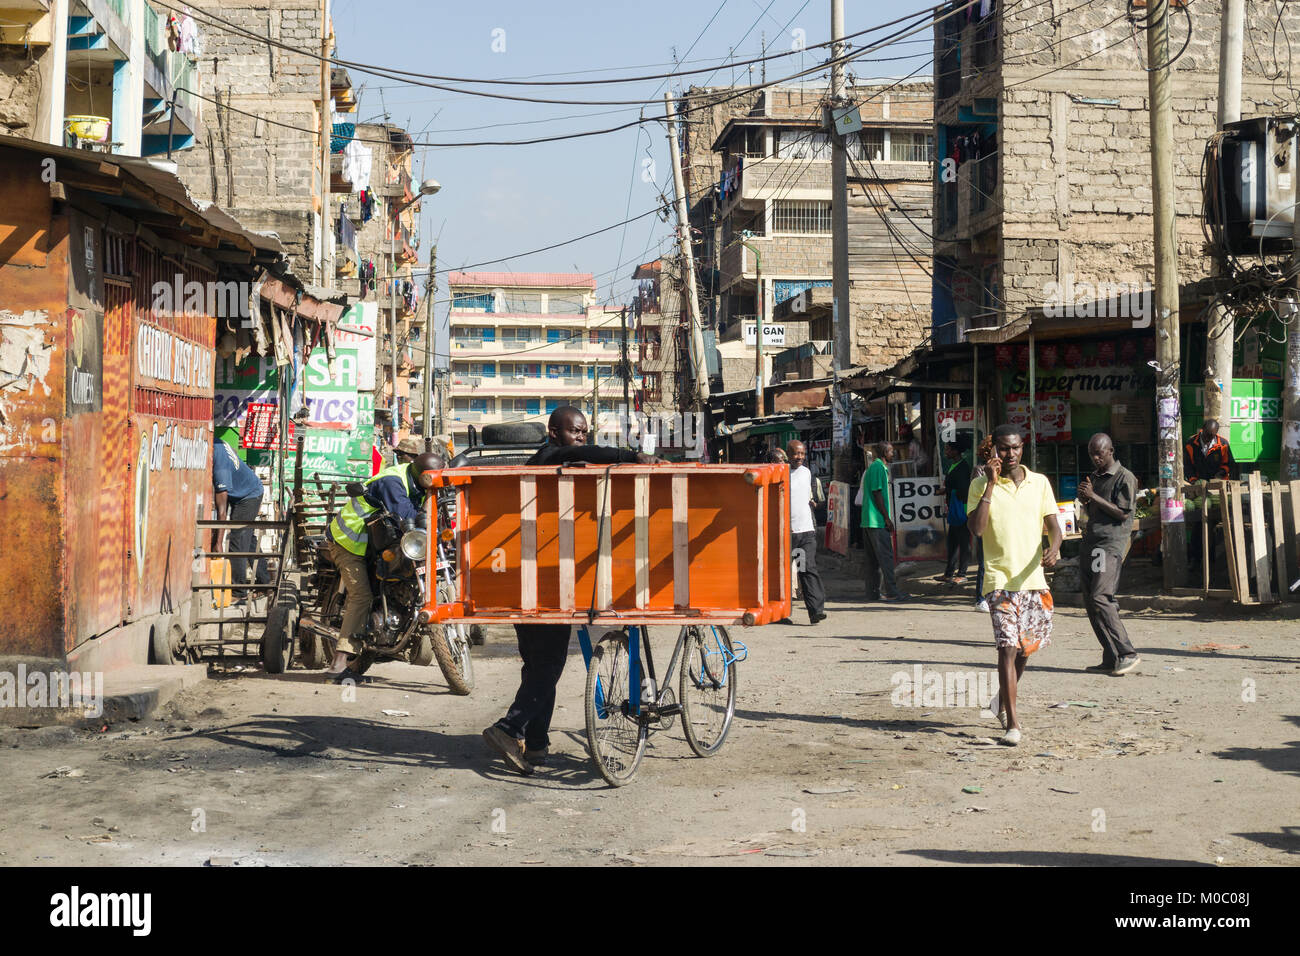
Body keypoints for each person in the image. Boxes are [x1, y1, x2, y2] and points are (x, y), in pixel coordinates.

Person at [483, 405, 660, 776]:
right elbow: (579, 454)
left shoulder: (551, 466)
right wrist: (631, 456)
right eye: (575, 432)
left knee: (538, 667)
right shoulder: (549, 456)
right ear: (553, 433)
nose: (581, 439)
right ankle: (509, 728)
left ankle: (536, 745)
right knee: (548, 665)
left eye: (584, 433)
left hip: (530, 580)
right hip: (544, 585)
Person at [967, 424, 1063, 747]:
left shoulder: (1040, 483)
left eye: (1015, 448)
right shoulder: (980, 485)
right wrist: (990, 487)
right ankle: (1013, 722)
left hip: (1033, 579)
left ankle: (999, 702)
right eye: (1004, 449)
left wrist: (1055, 547)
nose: (1010, 454)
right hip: (999, 580)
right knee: (1006, 648)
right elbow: (977, 530)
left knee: (1025, 649)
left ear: (1023, 448)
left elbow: (1053, 525)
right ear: (994, 450)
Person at [324, 449, 444, 680]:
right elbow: (407, 517)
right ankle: (338, 663)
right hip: (349, 542)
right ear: (421, 476)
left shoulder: (418, 484)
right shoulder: (392, 483)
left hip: (379, 543)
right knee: (362, 597)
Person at [1078, 433, 1140, 676]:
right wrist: (1086, 500)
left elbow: (1123, 514)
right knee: (1090, 602)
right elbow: (1095, 508)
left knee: (1101, 597)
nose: (1095, 459)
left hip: (1109, 544)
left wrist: (1093, 496)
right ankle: (1111, 656)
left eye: (1099, 454)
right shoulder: (1095, 477)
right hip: (1091, 542)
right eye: (1092, 454)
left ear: (1111, 450)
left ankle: (1127, 653)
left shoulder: (1125, 477)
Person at [212, 439, 269, 607]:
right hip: (245, 489)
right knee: (247, 538)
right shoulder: (216, 443)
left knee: (237, 539)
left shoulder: (220, 467)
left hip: (249, 495)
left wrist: (218, 543)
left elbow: (222, 513)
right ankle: (265, 581)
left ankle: (239, 592)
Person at [859, 441, 909, 602]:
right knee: (886, 558)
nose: (892, 454)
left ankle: (872, 592)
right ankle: (892, 591)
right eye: (891, 451)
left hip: (868, 519)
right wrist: (887, 518)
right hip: (877, 520)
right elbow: (877, 493)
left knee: (872, 561)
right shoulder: (879, 468)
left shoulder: (873, 467)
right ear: (884, 453)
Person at [783, 440, 826, 625]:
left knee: (807, 569)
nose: (799, 457)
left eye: (802, 453)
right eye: (795, 453)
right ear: (788, 454)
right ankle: (779, 614)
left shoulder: (807, 473)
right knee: (782, 575)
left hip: (806, 531)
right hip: (786, 534)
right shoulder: (782, 473)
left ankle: (816, 611)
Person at [939, 437, 973, 585]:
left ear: (955, 451)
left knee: (964, 542)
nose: (945, 451)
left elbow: (963, 489)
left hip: (962, 510)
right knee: (952, 542)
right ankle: (948, 573)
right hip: (954, 509)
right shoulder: (954, 465)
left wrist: (947, 490)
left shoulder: (963, 467)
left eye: (948, 449)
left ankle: (963, 573)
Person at [1184, 418, 1235, 482]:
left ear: (1216, 433)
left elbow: (1229, 464)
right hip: (1197, 483)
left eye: (1211, 436)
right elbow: (1187, 465)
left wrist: (1220, 474)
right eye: (1206, 435)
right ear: (1202, 429)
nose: (1207, 438)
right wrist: (1193, 479)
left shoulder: (1223, 444)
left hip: (1219, 482)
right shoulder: (1190, 444)